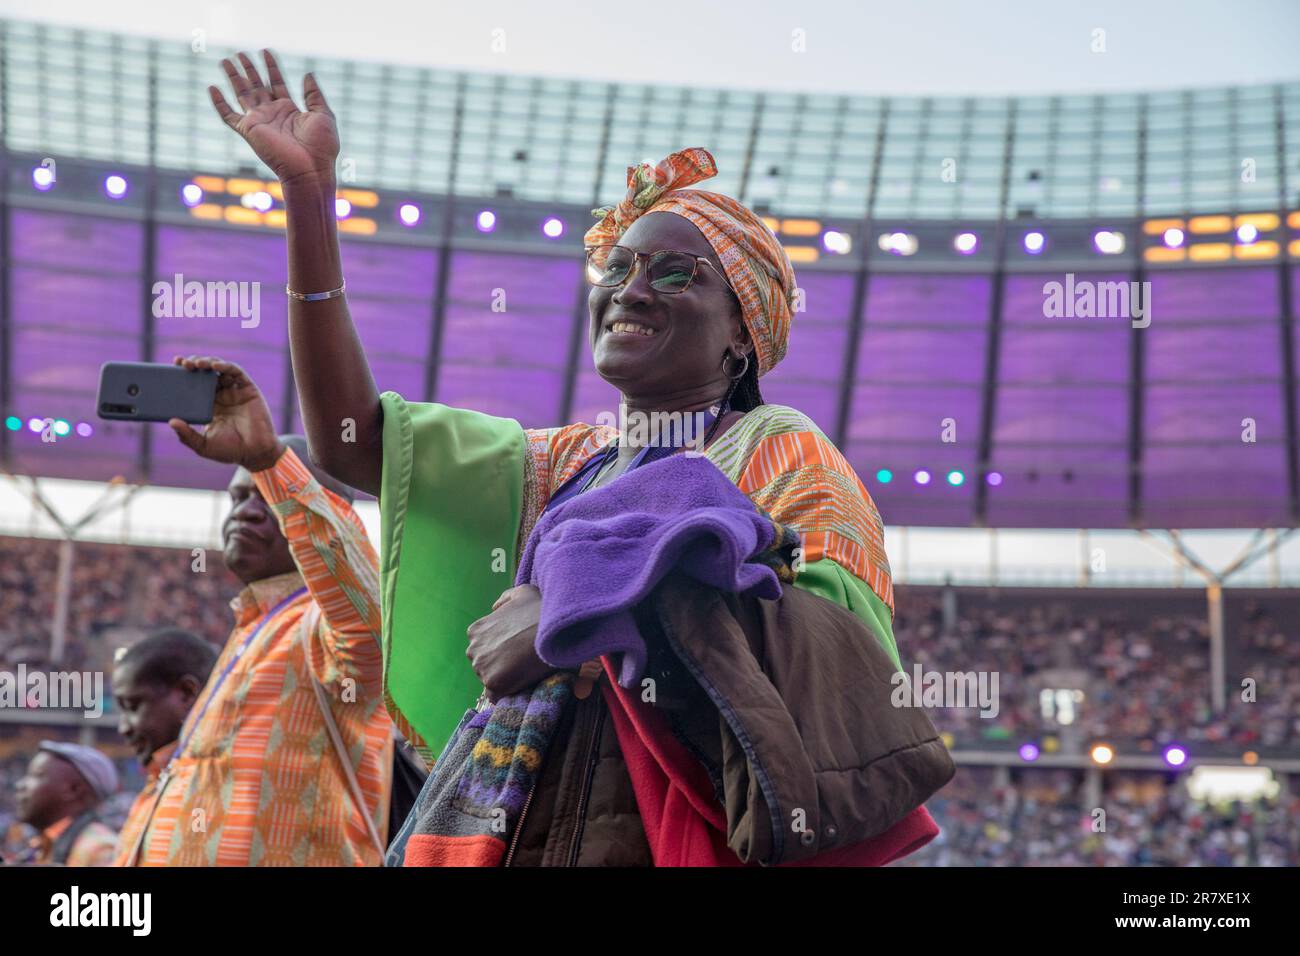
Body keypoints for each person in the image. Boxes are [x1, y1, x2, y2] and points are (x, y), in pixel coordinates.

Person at [209, 52, 947, 865]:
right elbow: (351, 440)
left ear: (744, 334)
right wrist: (310, 201)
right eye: (618, 266)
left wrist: (575, 616)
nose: (630, 289)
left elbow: (841, 670)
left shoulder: (782, 451)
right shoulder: (565, 462)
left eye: (675, 273)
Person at [116, 356, 392, 866]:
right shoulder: (254, 630)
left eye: (265, 499)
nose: (245, 510)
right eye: (238, 498)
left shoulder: (322, 627)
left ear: (330, 511)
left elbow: (369, 615)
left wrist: (270, 462)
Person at [110, 627, 218, 866]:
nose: (124, 728)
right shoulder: (163, 781)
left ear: (186, 694)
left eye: (133, 705)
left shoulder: (210, 783)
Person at [11, 742, 119, 866]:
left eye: (36, 775)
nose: (20, 785)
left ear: (73, 790)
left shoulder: (99, 849)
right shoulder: (44, 845)